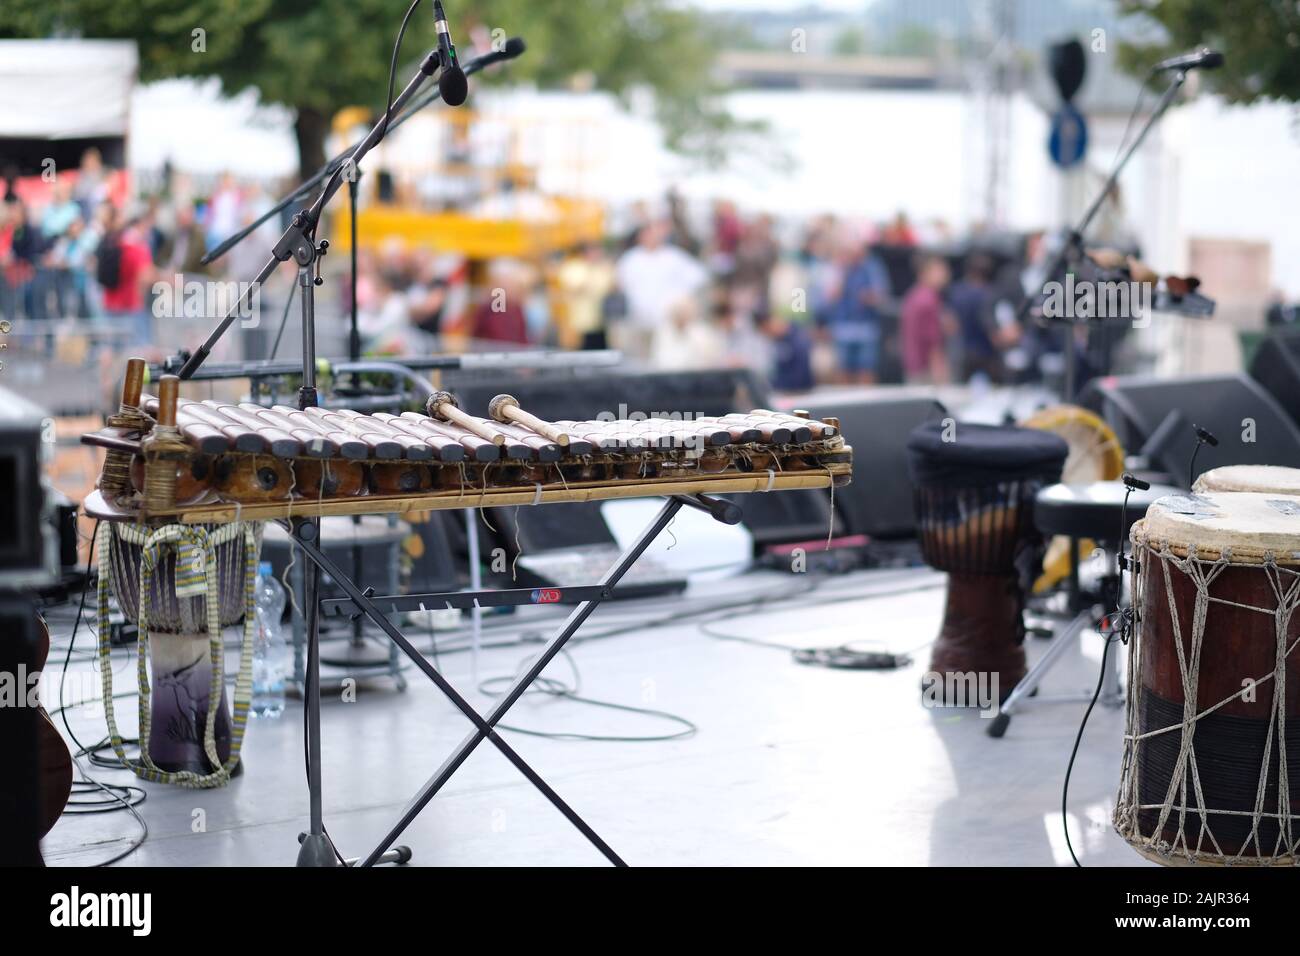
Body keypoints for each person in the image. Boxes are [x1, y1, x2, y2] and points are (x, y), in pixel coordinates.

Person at [615, 220, 708, 360]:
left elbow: (698, 277)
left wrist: (679, 299)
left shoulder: (673, 256)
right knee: (641, 357)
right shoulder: (630, 259)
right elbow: (621, 283)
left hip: (665, 318)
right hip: (638, 317)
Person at [824, 239, 889, 384]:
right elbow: (830, 297)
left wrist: (868, 296)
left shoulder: (872, 267)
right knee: (843, 369)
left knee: (866, 369)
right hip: (843, 327)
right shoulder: (838, 268)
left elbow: (880, 296)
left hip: (866, 326)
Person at [900, 255, 954, 385]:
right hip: (926, 370)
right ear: (925, 273)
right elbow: (931, 340)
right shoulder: (928, 300)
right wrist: (939, 369)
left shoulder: (913, 295)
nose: (946, 275)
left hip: (912, 365)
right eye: (940, 271)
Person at [947, 254, 1001, 383]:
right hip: (987, 353)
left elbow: (950, 324)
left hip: (962, 352)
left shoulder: (955, 291)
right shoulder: (989, 294)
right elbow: (991, 326)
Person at [555, 243, 615, 350]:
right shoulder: (574, 268)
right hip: (579, 322)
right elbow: (574, 288)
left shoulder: (602, 268)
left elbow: (610, 288)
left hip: (600, 320)